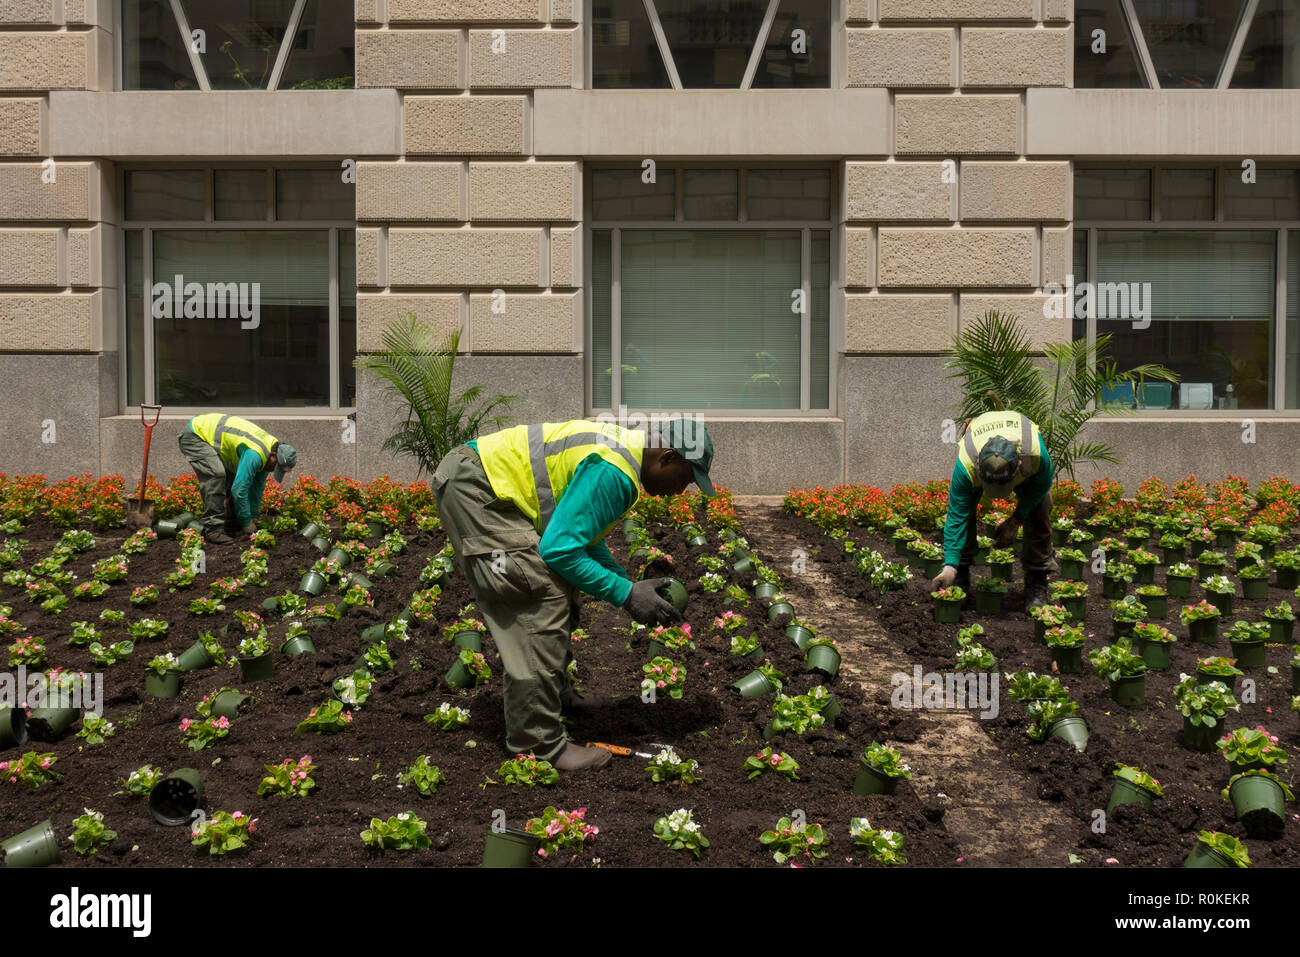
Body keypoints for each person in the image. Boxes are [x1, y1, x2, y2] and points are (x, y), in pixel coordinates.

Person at [432, 418, 716, 773]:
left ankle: (555, 698)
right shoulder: (615, 471)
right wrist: (627, 595)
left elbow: (580, 538)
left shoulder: (620, 453)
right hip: (476, 488)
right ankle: (539, 744)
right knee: (538, 593)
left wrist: (625, 583)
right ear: (669, 458)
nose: (682, 491)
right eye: (687, 479)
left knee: (555, 581)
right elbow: (561, 551)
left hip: (475, 478)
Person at [929, 410, 1054, 608]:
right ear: (978, 463)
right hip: (980, 448)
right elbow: (956, 516)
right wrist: (949, 567)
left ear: (1019, 464)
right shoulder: (967, 463)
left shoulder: (1036, 454)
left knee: (1041, 507)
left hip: (1026, 464)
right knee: (965, 512)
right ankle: (959, 578)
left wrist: (1016, 519)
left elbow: (1040, 486)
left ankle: (1037, 581)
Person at [178, 414, 297, 545]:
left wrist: (253, 517)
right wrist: (247, 522)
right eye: (275, 466)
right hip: (196, 434)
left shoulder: (270, 453)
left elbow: (257, 488)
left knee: (236, 477)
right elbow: (239, 490)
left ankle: (232, 525)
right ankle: (213, 530)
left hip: (210, 435)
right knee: (216, 475)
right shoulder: (255, 453)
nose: (273, 470)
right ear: (273, 455)